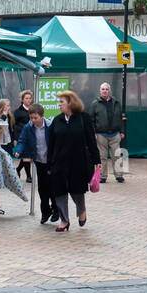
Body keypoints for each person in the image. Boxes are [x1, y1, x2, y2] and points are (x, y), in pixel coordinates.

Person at [47, 91, 101, 233]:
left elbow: (91, 141)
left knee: (77, 190)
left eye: (61, 102)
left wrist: (97, 160)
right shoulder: (57, 120)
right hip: (59, 162)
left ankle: (81, 210)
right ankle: (64, 220)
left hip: (78, 162)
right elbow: (51, 143)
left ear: (70, 103)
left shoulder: (84, 118)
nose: (59, 105)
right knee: (59, 191)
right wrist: (49, 164)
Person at [14, 104, 56, 223]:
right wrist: (18, 150)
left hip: (50, 160)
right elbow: (23, 140)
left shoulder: (50, 126)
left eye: (35, 118)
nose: (33, 120)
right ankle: (45, 212)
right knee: (42, 188)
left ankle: (56, 209)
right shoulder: (28, 127)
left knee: (52, 186)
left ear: (42, 116)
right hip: (38, 160)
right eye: (31, 118)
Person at [87, 82, 126, 184]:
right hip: (101, 135)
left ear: (110, 91)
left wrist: (121, 131)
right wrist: (93, 133)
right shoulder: (95, 104)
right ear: (100, 91)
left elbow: (120, 118)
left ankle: (119, 176)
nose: (105, 91)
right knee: (102, 157)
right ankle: (102, 176)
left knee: (117, 155)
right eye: (103, 89)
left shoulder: (116, 103)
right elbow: (91, 120)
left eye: (106, 89)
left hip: (115, 134)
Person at [13, 90, 34, 183]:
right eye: (26, 98)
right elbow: (14, 125)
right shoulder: (18, 112)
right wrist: (15, 138)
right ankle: (29, 176)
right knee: (26, 156)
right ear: (22, 100)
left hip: (32, 135)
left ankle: (17, 170)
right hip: (21, 136)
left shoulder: (34, 110)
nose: (29, 100)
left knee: (28, 155)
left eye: (30, 98)